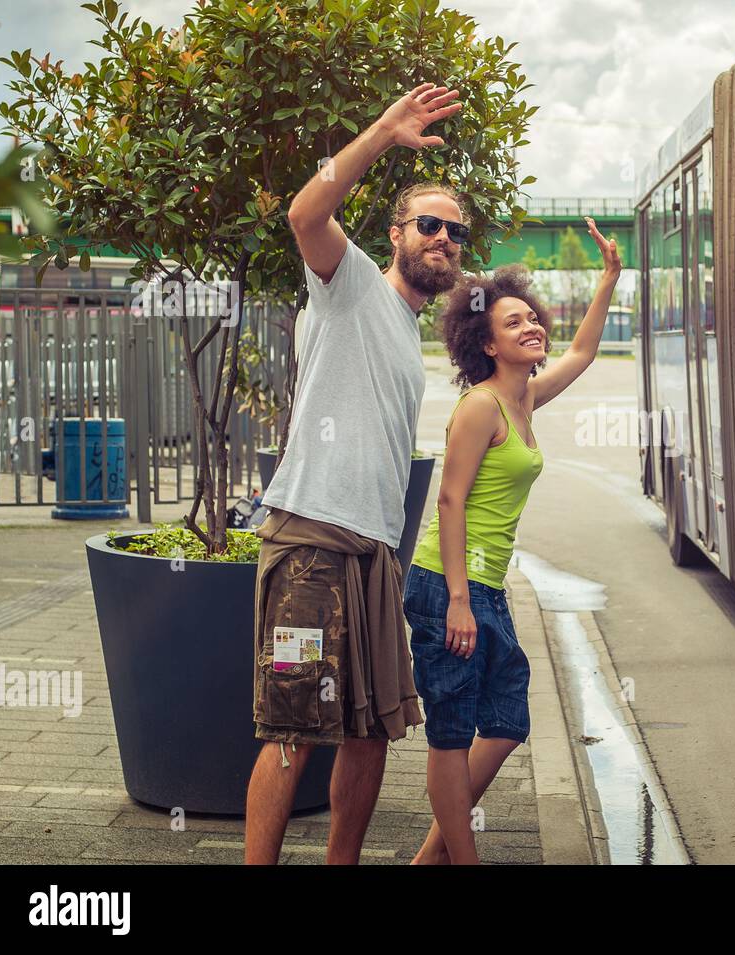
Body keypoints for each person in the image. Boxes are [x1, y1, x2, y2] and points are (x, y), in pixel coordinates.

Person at [244, 83, 467, 865]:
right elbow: (305, 214)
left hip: (373, 559)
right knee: (292, 731)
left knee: (371, 731)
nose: (444, 238)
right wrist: (383, 130)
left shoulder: (409, 333)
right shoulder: (352, 285)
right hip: (309, 545)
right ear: (396, 233)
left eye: (456, 233)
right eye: (430, 224)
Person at [404, 216, 621, 864]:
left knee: (503, 722)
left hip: (484, 586)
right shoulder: (480, 406)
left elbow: (579, 354)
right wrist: (460, 598)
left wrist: (608, 280)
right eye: (514, 322)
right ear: (487, 344)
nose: (533, 327)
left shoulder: (522, 397)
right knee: (450, 731)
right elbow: (448, 500)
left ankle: (427, 859)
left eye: (534, 317)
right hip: (449, 586)